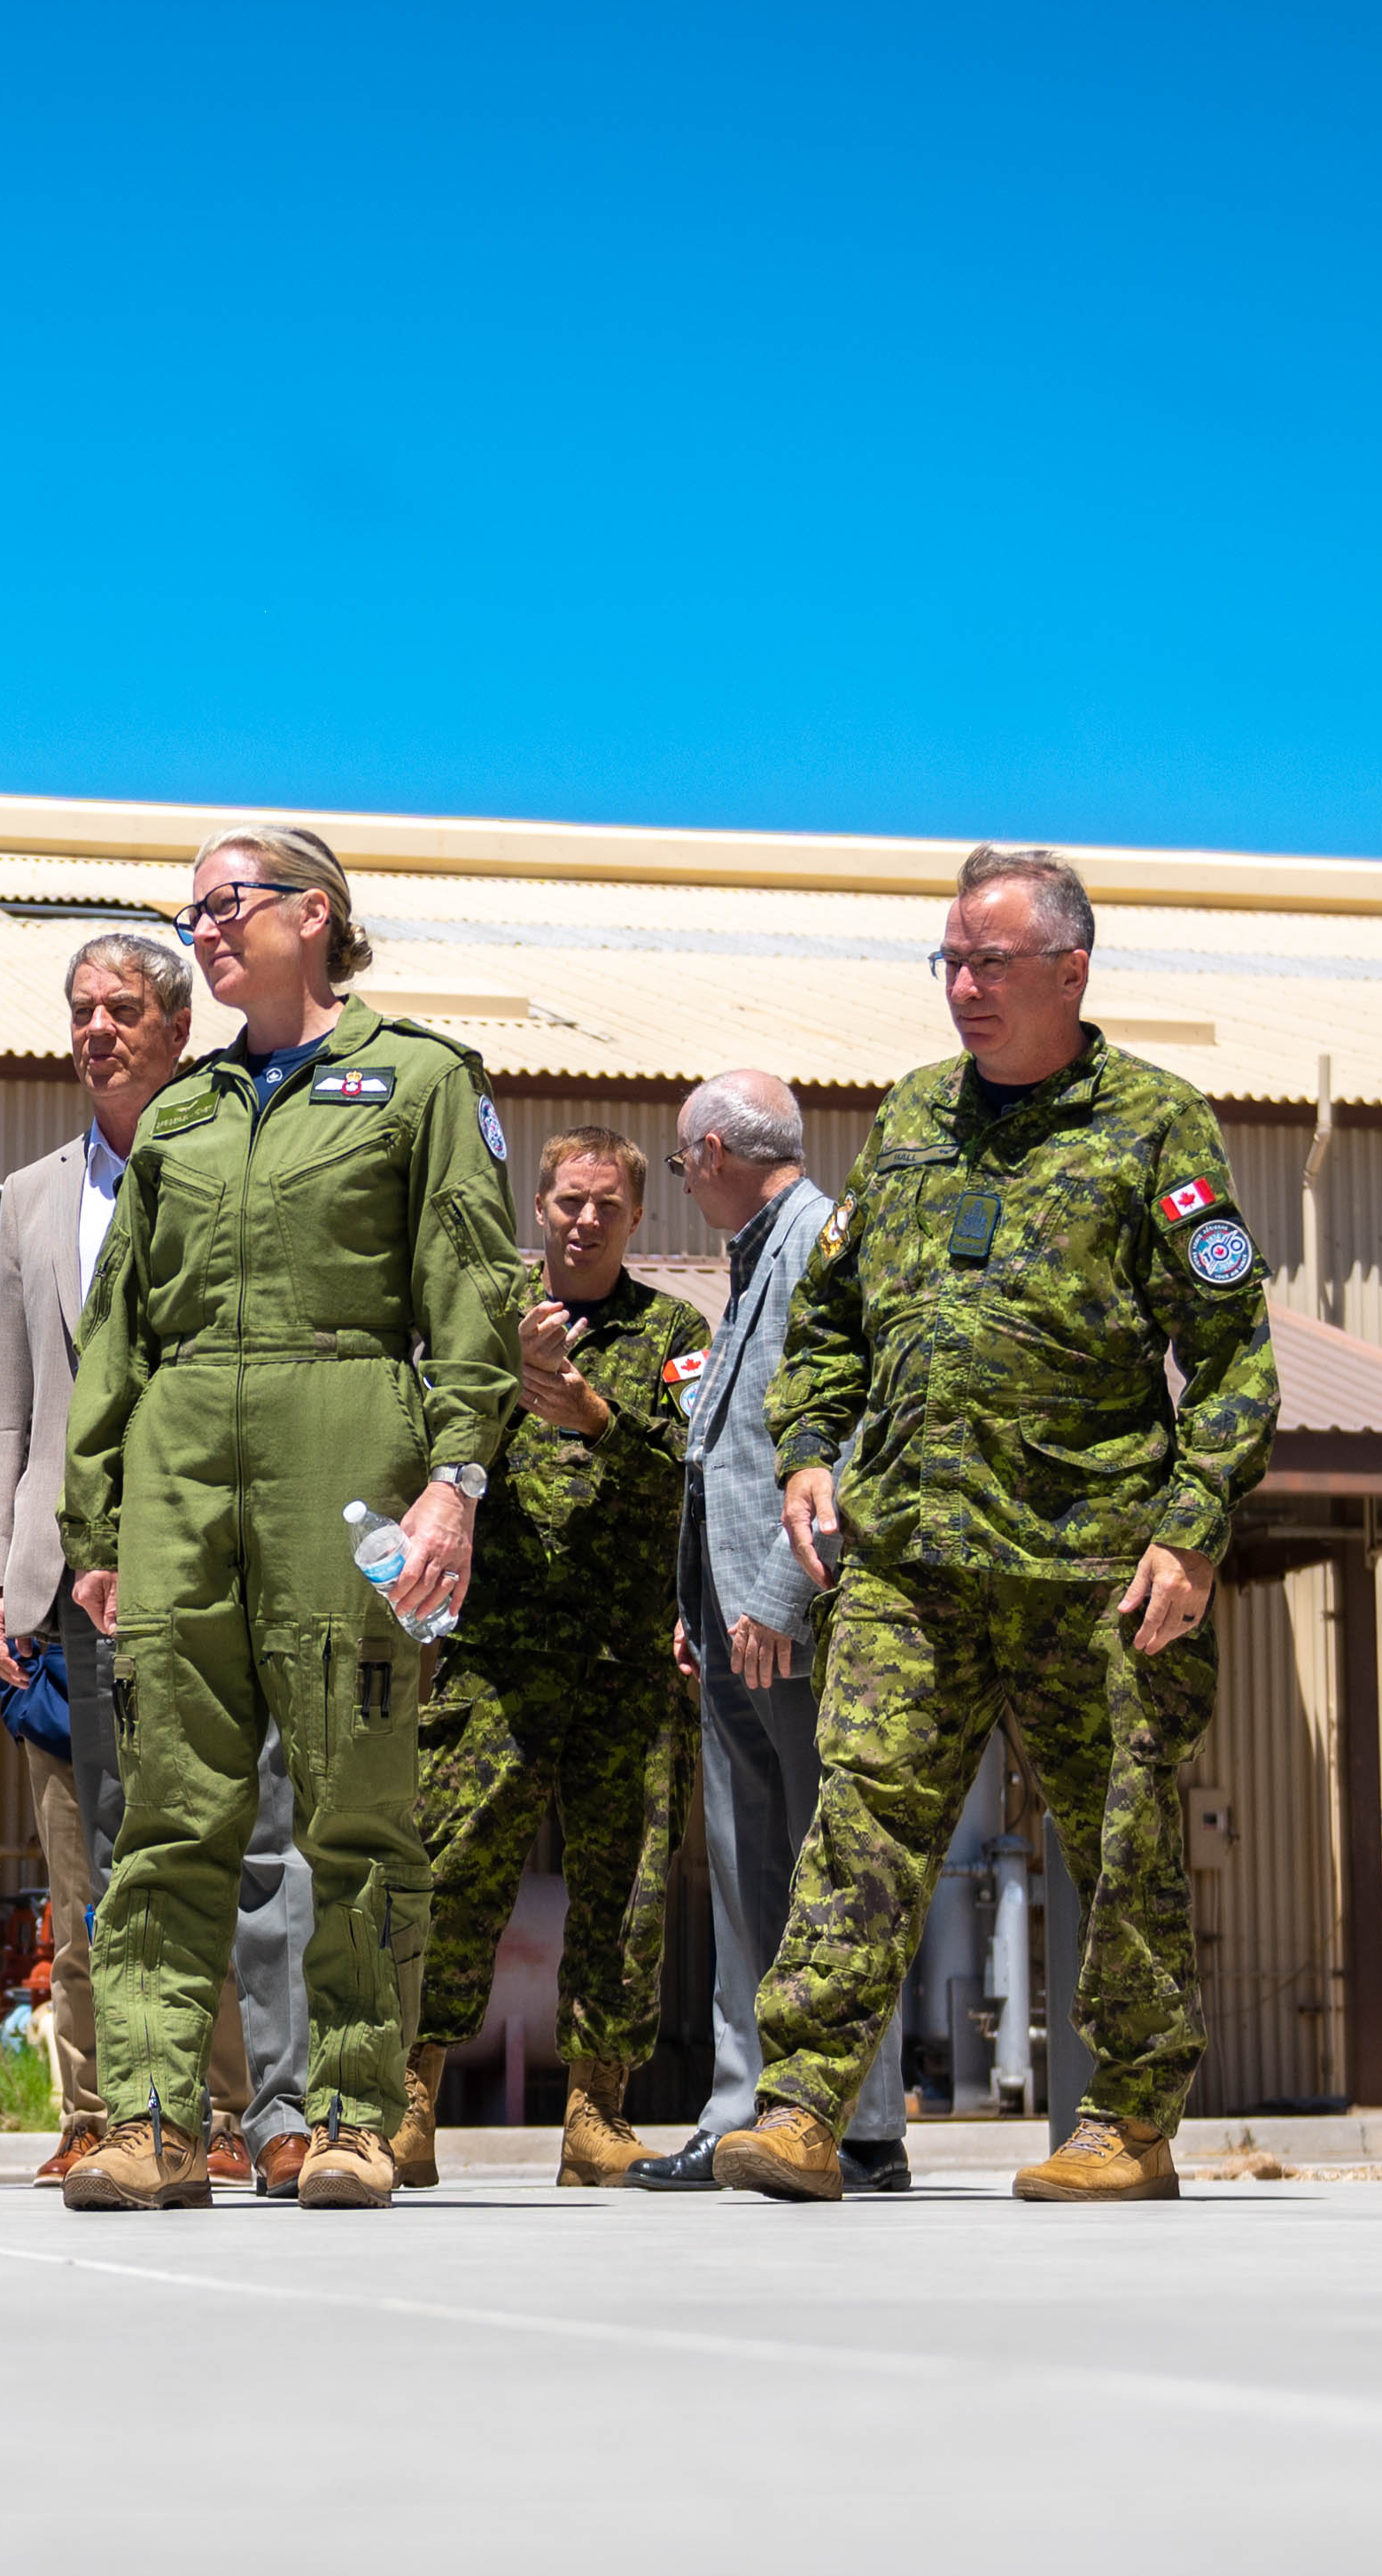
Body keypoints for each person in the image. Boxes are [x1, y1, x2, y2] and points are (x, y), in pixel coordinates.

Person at [717, 846, 1276, 2206]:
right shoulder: (911, 1118)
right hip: (913, 1557)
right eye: (950, 961)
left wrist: (1194, 1527)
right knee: (862, 1817)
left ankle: (1130, 2122)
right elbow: (833, 1320)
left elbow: (1237, 1353)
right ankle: (800, 2107)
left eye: (991, 963)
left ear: (1071, 972)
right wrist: (804, 1452)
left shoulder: (1156, 1123)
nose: (963, 986)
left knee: (1126, 1834)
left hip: (1094, 1561)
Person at [58, 823, 517, 2212]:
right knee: (165, 1815)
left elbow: (475, 1291)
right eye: (191, 909)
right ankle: (147, 2118)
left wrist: (458, 1479)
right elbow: (116, 1333)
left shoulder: (422, 1083)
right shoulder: (181, 1119)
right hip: (183, 1469)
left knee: (357, 1808)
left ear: (313, 916)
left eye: (225, 904)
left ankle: (353, 2115)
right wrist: (95, 1527)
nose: (201, 927)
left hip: (350, 1450)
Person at [0, 931, 312, 2188]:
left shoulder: (234, 1149)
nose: (98, 1030)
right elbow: (10, 1403)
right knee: (98, 1843)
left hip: (217, 1543)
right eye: (81, 1010)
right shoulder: (29, 1197)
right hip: (78, 1565)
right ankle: (123, 2106)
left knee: (240, 1829)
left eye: (123, 1008)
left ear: (178, 1027)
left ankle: (245, 2105)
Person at [394, 1126, 706, 2186]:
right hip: (500, 1658)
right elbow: (424, 1459)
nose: (584, 1219)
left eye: (605, 1205)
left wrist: (596, 1412)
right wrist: (506, 1384)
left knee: (625, 1885)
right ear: (538, 1207)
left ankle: (594, 2112)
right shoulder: (484, 1326)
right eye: (567, 1200)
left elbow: (698, 1474)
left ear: (634, 1217)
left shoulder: (672, 1330)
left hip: (627, 1659)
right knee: (452, 1865)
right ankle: (410, 2097)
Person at [633, 1070, 917, 2195]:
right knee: (753, 1865)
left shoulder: (819, 1242)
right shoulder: (761, 1249)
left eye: (677, 1164)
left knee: (820, 1866)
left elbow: (843, 1434)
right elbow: (729, 1452)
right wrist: (698, 1603)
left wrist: (777, 1595)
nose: (682, 1182)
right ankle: (751, 2104)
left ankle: (852, 2118)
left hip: (783, 1610)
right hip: (733, 1612)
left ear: (708, 1152)